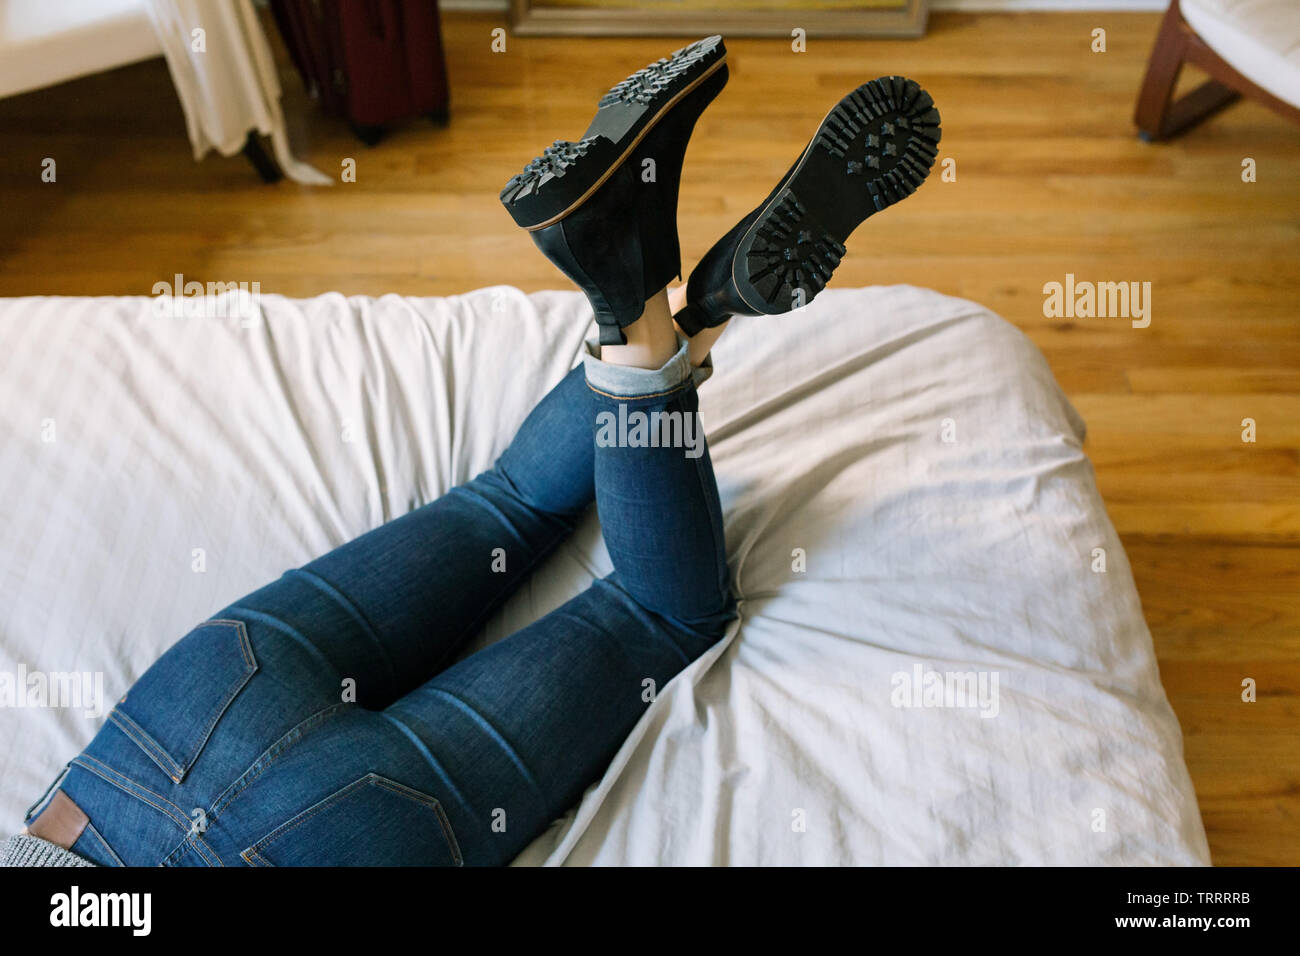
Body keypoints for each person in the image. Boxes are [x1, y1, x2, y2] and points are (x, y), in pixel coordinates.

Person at [4, 36, 939, 867]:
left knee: (664, 619)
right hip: (169, 732)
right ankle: (658, 306)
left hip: (315, 842)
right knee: (502, 502)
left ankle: (648, 313)